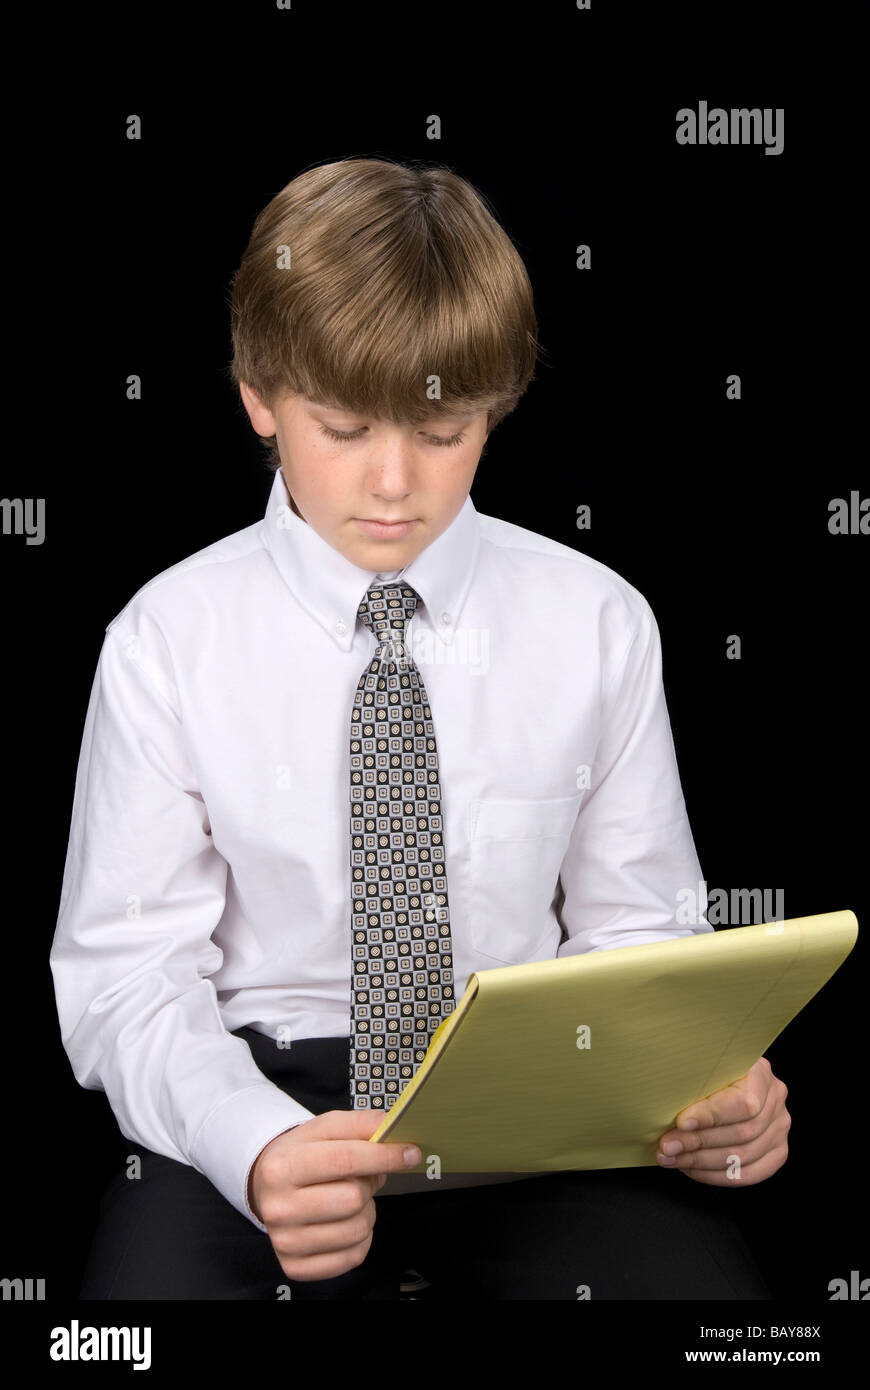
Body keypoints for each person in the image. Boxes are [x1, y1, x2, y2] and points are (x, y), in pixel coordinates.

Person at [50, 156, 789, 1301]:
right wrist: (252, 1146)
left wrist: (704, 1087)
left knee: (714, 1314)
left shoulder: (598, 621)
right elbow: (127, 980)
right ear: (258, 396)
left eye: (442, 432)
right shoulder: (166, 641)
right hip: (261, 1099)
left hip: (540, 1104)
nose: (394, 483)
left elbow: (639, 938)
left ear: (496, 408)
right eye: (342, 426)